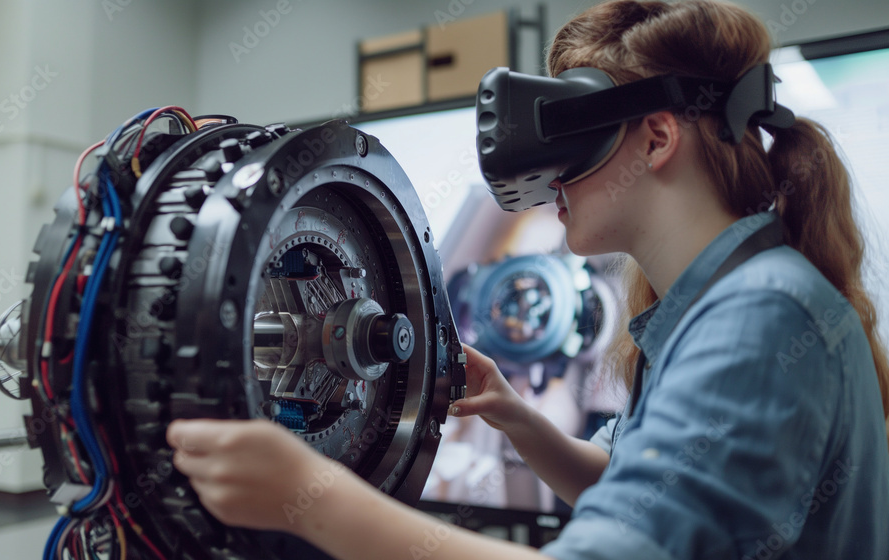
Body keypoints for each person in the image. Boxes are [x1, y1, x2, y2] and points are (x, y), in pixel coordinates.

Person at [166, 1, 889, 558]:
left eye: (569, 133)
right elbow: (636, 495)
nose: (544, 180)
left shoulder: (759, 318)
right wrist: (519, 418)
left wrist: (309, 496)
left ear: (658, 137)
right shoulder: (723, 303)